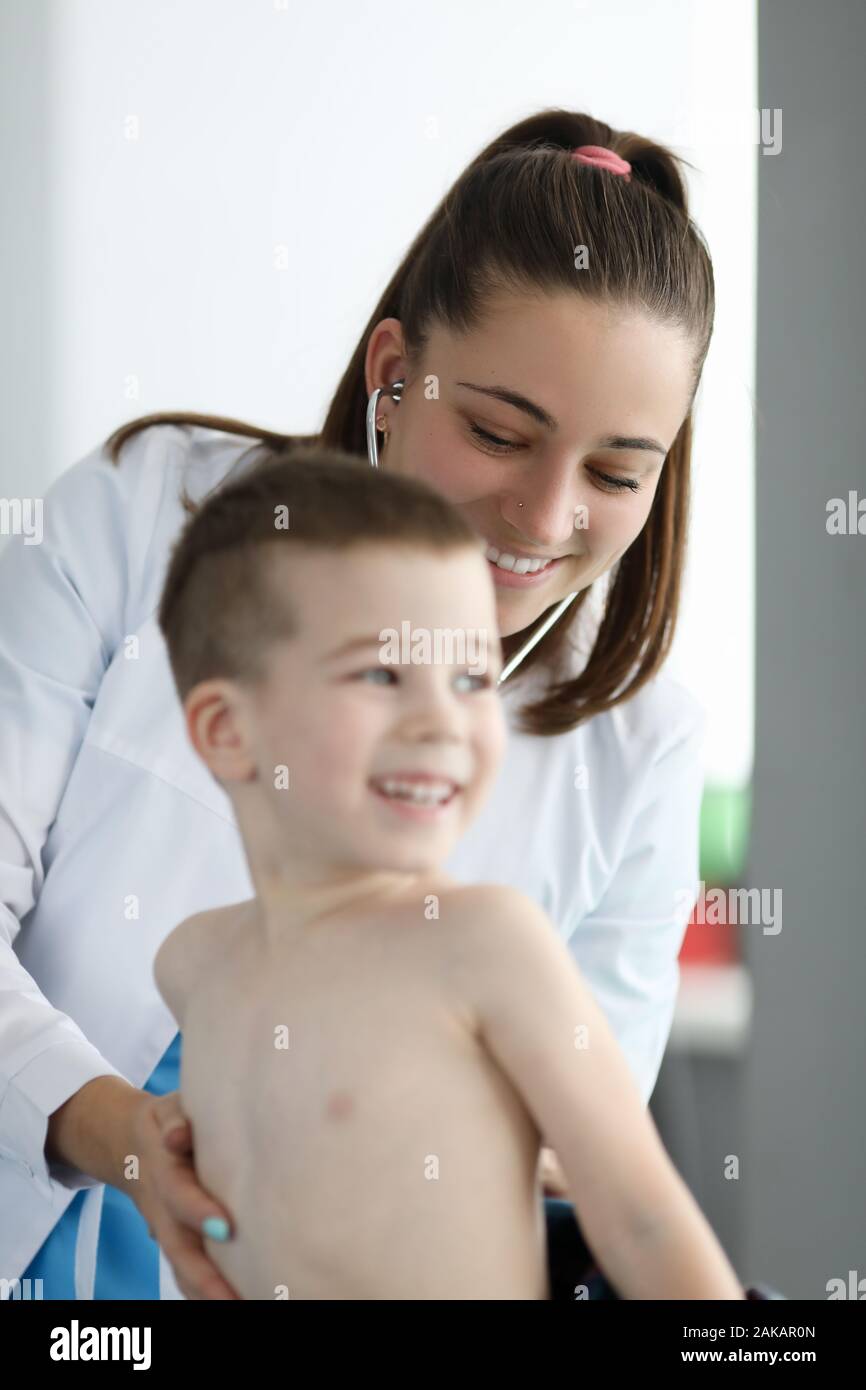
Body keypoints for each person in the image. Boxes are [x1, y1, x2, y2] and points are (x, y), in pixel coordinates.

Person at [1, 110, 721, 1301]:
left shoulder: (625, 759)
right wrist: (121, 1132)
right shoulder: (147, 521)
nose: (543, 521)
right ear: (396, 375)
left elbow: (606, 1186)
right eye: (497, 432)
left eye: (613, 472)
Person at [151, 446, 745, 1300]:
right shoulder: (195, 964)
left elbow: (643, 1218)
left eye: (471, 676)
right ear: (227, 732)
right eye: (384, 673)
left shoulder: (486, 942)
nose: (442, 722)